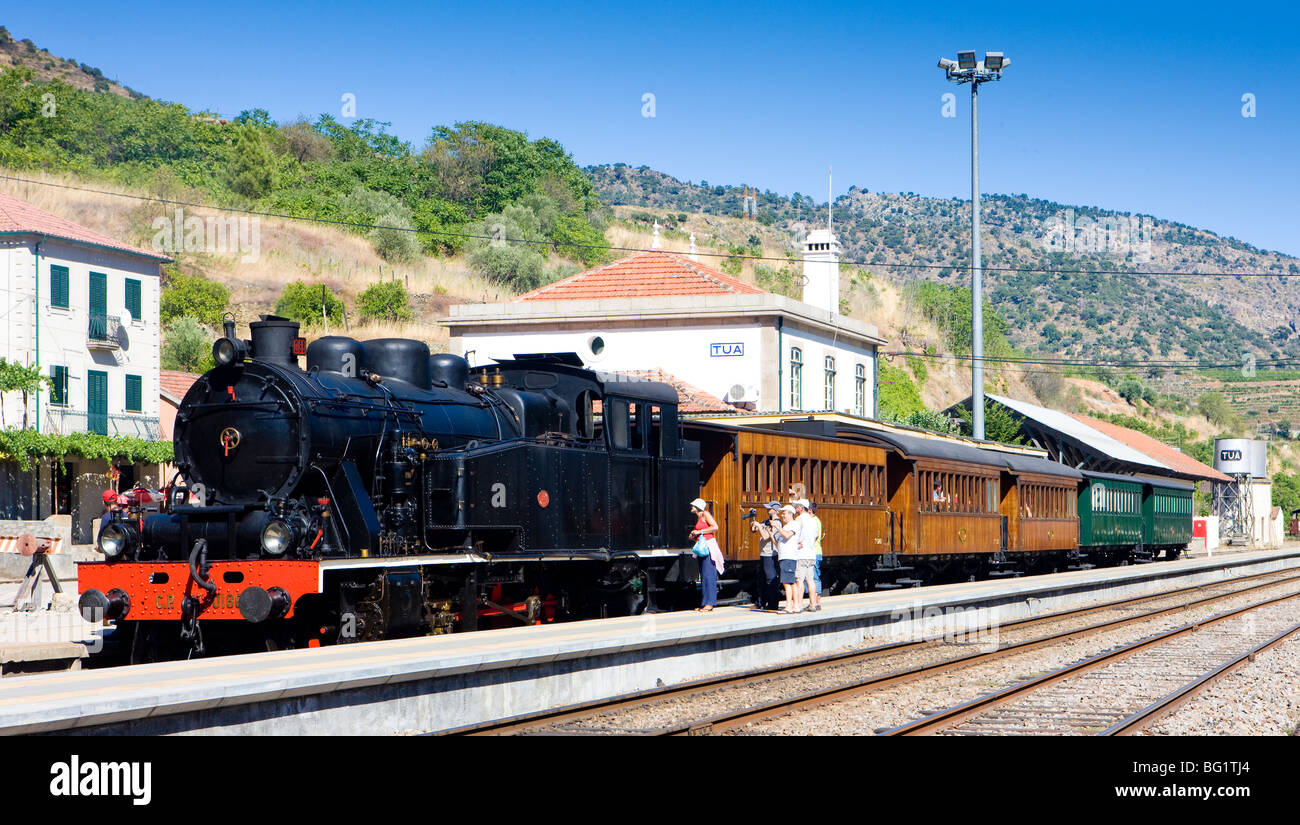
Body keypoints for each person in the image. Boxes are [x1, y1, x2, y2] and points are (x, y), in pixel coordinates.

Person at [688, 498, 724, 612]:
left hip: (709, 547)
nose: (691, 507)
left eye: (693, 505)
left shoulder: (705, 514)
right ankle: (705, 603)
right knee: (704, 576)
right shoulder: (699, 517)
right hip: (702, 548)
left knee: (709, 575)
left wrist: (699, 532)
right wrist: (694, 537)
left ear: (698, 506)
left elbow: (715, 527)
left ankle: (710, 603)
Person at [750, 501, 782, 610]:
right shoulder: (766, 521)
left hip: (771, 554)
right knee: (762, 579)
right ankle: (761, 602)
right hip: (764, 553)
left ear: (776, 510)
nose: (767, 510)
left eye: (769, 508)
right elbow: (753, 529)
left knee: (770, 579)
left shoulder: (776, 523)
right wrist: (752, 519)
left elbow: (765, 537)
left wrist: (759, 526)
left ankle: (773, 604)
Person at [775, 504, 805, 614]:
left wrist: (778, 528)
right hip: (784, 556)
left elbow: (787, 536)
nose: (782, 515)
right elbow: (778, 543)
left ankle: (789, 606)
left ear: (791, 514)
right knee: (790, 582)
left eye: (784, 513)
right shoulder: (786, 526)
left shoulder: (794, 524)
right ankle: (795, 606)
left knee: (787, 583)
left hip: (789, 556)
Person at [793, 499, 821, 612]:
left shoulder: (799, 519)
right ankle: (813, 604)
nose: (795, 508)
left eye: (797, 506)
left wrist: (798, 543)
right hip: (811, 554)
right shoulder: (813, 520)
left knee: (799, 580)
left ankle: (799, 605)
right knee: (810, 580)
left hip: (801, 554)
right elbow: (816, 536)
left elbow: (795, 535)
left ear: (801, 508)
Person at [806, 501, 824, 607]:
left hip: (814, 552)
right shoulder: (816, 520)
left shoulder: (814, 520)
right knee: (814, 577)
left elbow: (816, 535)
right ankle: (815, 601)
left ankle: (817, 602)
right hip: (816, 552)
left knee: (814, 577)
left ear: (809, 510)